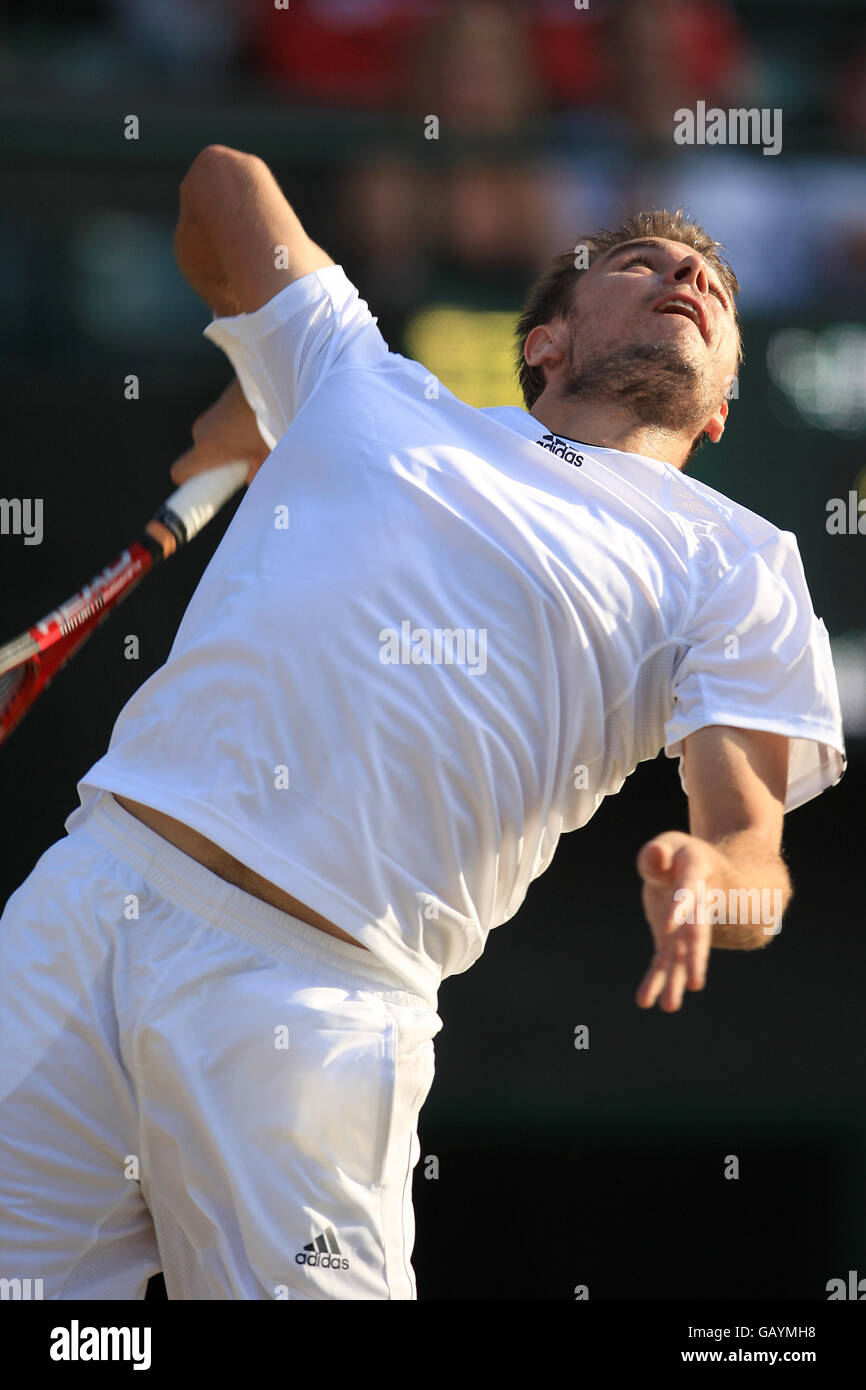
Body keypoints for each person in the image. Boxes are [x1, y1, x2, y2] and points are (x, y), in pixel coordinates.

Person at [0, 146, 845, 1301]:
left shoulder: (737, 562)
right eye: (640, 260)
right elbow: (220, 181)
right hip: (82, 915)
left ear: (720, 409)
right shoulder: (362, 384)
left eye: (715, 289)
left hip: (313, 1009)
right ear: (542, 338)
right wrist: (266, 377)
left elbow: (752, 854)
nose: (688, 275)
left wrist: (712, 873)